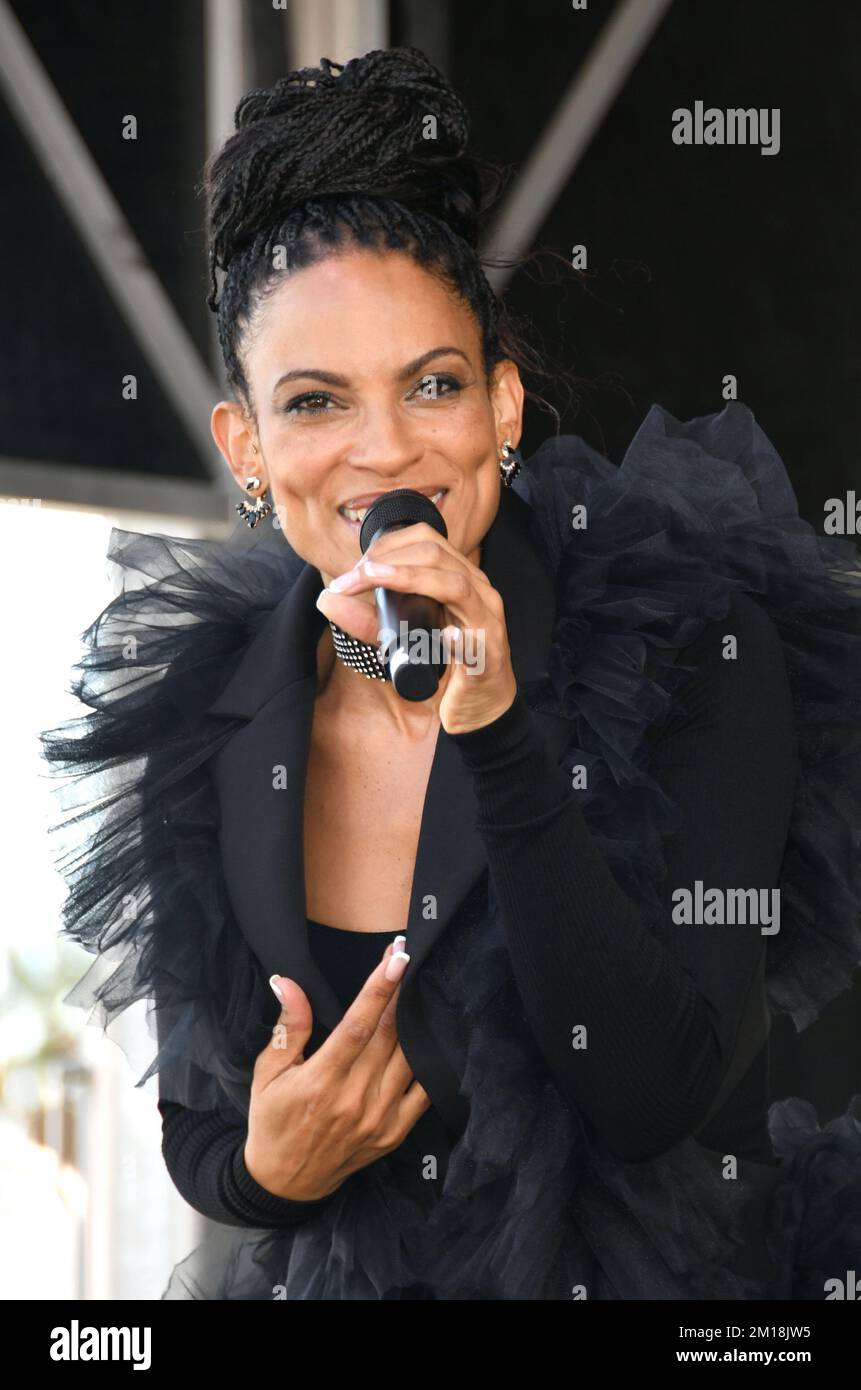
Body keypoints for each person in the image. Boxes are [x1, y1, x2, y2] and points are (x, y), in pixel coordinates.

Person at [40, 46, 861, 1301]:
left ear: (505, 408)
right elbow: (201, 1130)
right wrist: (270, 1167)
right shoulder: (206, 714)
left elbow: (653, 1092)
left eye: (433, 385)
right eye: (315, 404)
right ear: (245, 446)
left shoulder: (696, 646)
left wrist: (496, 727)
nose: (385, 450)